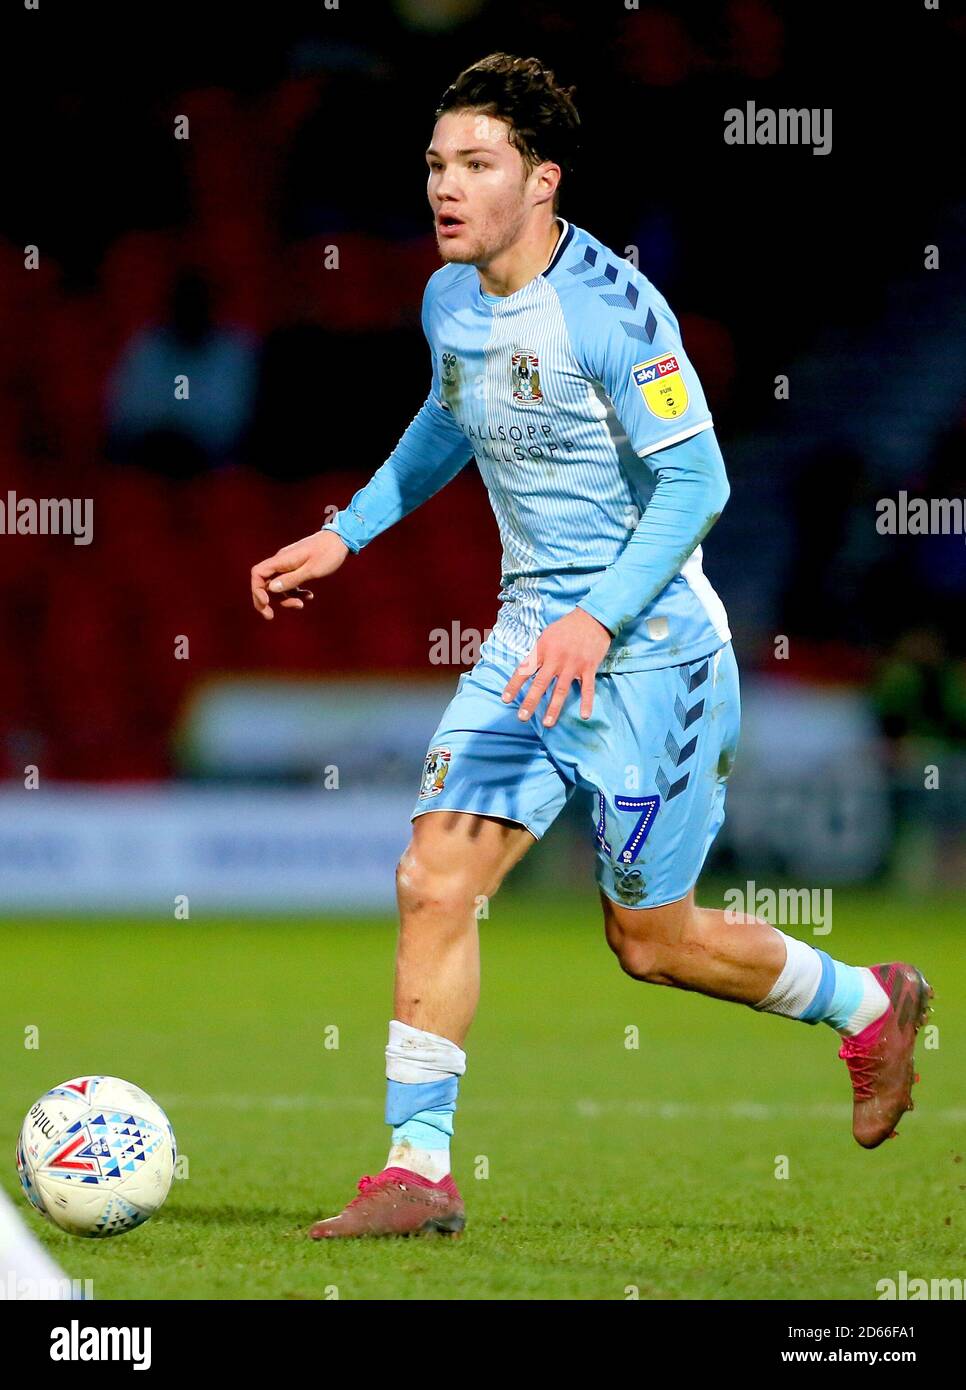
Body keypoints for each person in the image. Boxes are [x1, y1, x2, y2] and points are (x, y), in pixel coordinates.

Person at [250, 53, 932, 1239]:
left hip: (652, 662)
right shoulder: (450, 299)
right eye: (435, 164)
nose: (445, 188)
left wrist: (596, 614)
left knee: (650, 943)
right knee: (431, 879)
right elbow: (449, 413)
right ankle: (417, 1172)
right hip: (528, 647)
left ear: (543, 179)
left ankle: (867, 1001)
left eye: (476, 164)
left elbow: (698, 482)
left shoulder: (617, 314)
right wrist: (347, 532)